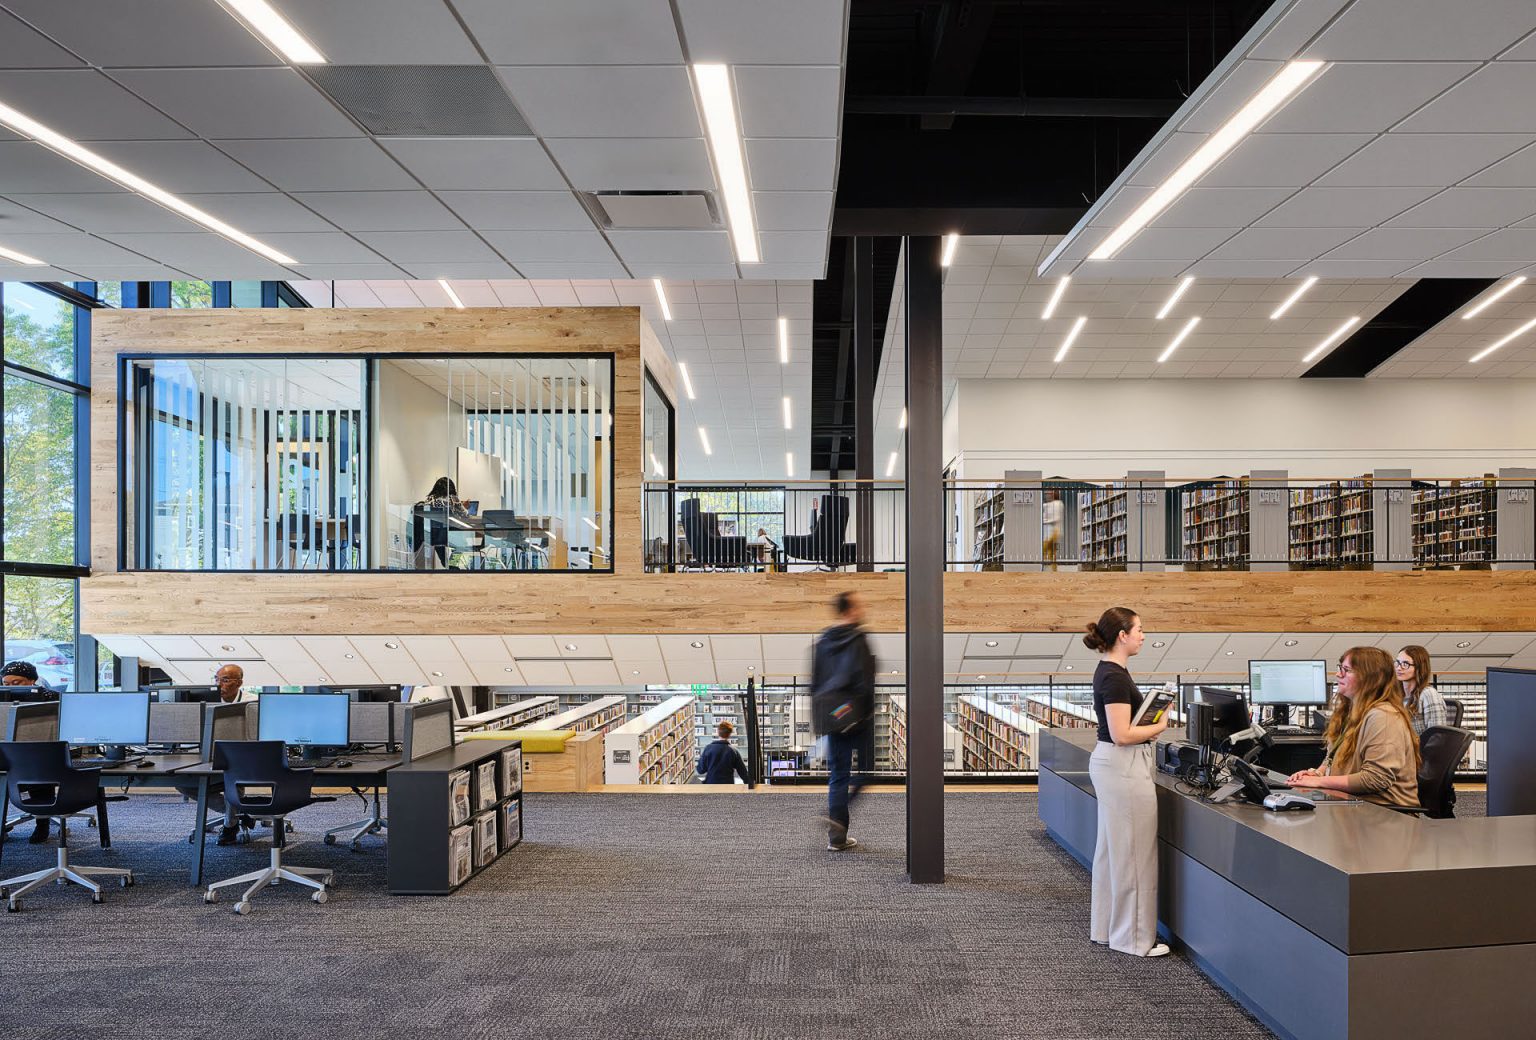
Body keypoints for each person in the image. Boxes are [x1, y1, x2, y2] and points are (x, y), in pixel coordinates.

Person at [1085, 606, 1171, 958]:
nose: (1143, 635)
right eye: (1139, 629)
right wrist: (1160, 724)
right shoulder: (1115, 677)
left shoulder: (1110, 671)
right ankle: (1133, 940)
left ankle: (1106, 929)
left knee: (1112, 852)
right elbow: (1123, 734)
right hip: (1122, 765)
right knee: (1136, 856)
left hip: (1111, 765)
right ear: (1122, 635)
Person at [1288, 647, 1419, 808]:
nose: (1338, 674)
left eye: (1347, 670)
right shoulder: (1352, 712)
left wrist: (1319, 781)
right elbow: (1333, 758)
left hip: (1384, 813)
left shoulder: (1384, 717)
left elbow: (1375, 779)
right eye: (1339, 668)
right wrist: (1317, 773)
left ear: (1370, 678)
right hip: (1354, 804)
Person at [810, 591, 876, 851]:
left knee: (838, 774)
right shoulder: (859, 639)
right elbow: (865, 681)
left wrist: (823, 717)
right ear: (850, 610)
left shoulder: (822, 642)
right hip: (857, 715)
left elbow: (814, 683)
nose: (863, 609)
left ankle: (837, 837)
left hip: (832, 715)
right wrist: (867, 712)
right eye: (859, 605)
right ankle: (836, 815)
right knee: (866, 772)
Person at [1, 661, 54, 843]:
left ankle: (42, 823)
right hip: (8, 756)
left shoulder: (50, 699)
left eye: (16, 683)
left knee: (39, 773)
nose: (9, 688)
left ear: (32, 681)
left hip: (38, 756)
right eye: (5, 684)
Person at [414, 476, 468, 568]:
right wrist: (464, 506)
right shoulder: (453, 498)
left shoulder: (429, 499)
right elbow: (465, 514)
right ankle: (454, 568)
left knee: (445, 559)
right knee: (460, 550)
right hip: (449, 536)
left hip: (431, 536)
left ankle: (449, 566)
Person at [1394, 645, 1447, 737]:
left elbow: (1437, 738)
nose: (1399, 668)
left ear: (1419, 668)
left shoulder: (1428, 694)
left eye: (1405, 664)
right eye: (1397, 662)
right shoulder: (1398, 696)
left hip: (1419, 750)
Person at [697, 721, 751, 785]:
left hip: (711, 784)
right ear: (730, 734)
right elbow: (743, 772)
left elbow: (700, 770)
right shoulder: (733, 751)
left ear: (718, 733)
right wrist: (748, 785)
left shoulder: (708, 749)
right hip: (727, 785)